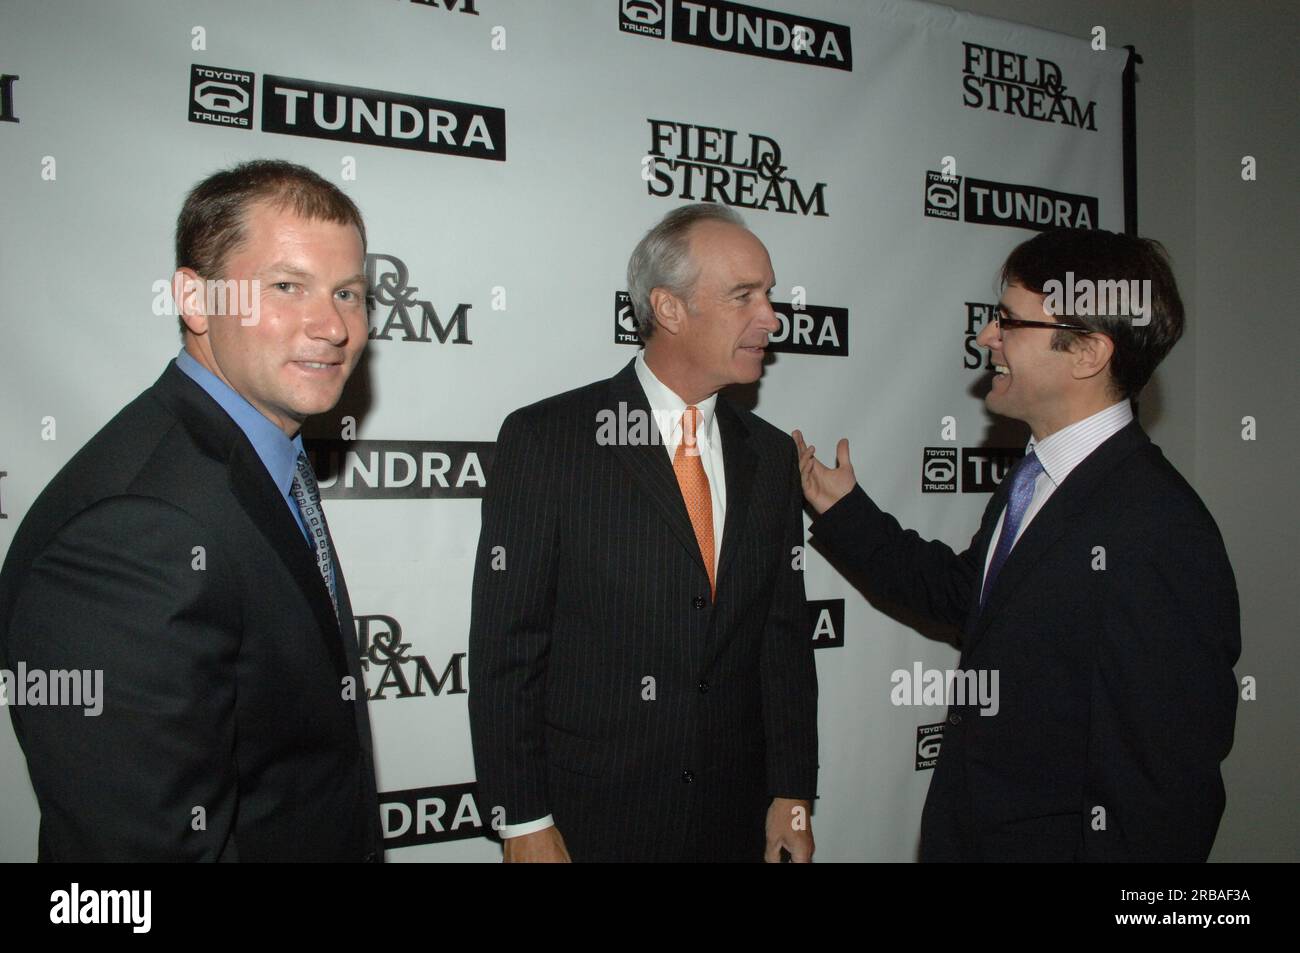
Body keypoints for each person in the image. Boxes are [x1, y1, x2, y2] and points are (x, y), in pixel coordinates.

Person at [795, 228, 1239, 862]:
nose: (986, 338)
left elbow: (1164, 788)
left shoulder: (1159, 529)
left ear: (1086, 351)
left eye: (1008, 322)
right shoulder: (1038, 478)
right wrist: (845, 511)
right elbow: (967, 598)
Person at [0, 160, 382, 861]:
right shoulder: (133, 530)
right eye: (287, 286)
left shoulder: (256, 448)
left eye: (349, 293)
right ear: (196, 300)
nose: (333, 326)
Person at [469, 203, 818, 862]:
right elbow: (506, 649)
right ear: (670, 308)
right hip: (588, 822)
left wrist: (792, 794)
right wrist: (521, 820)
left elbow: (783, 639)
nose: (772, 316)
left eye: (769, 294)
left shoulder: (770, 456)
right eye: (745, 295)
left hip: (733, 818)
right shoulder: (549, 440)